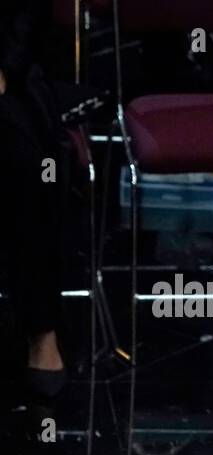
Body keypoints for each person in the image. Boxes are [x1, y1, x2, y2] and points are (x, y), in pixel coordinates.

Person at [0, 0, 65, 398]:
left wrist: (5, 66)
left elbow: (27, 16)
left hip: (10, 74)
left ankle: (41, 329)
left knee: (31, 166)